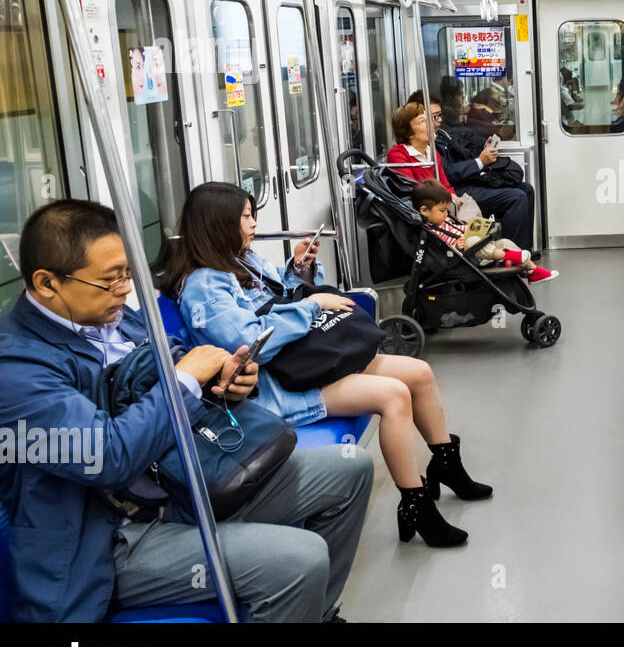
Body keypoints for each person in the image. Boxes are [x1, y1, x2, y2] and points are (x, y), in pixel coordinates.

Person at [0, 199, 374, 622]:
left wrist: (225, 385)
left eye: (127, 274)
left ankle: (316, 615)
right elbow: (106, 456)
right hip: (106, 538)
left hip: (180, 480)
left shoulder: (116, 320)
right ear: (47, 283)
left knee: (351, 470)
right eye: (110, 281)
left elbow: (173, 367)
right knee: (300, 559)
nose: (125, 289)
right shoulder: (16, 369)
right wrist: (186, 382)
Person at [162, 182, 492, 549]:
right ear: (217, 223)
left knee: (419, 374)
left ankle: (446, 466)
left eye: (252, 215)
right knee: (395, 395)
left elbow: (278, 300)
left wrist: (299, 270)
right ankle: (416, 505)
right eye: (244, 217)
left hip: (301, 360)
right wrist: (312, 305)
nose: (253, 224)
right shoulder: (204, 286)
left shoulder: (243, 260)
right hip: (274, 387)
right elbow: (253, 343)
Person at [420, 94, 538, 254]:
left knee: (526, 189)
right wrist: (480, 162)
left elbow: (462, 149)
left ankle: (524, 249)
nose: (440, 120)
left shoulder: (441, 134)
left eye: (440, 115)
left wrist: (482, 150)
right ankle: (511, 255)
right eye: (434, 117)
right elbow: (447, 174)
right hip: (458, 189)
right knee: (516, 197)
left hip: (468, 180)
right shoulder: (426, 144)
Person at [412, 181, 557, 283]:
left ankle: (532, 271)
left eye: (446, 211)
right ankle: (509, 256)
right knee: (471, 242)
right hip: (466, 259)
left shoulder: (444, 221)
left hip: (480, 251)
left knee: (505, 242)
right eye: (442, 211)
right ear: (424, 210)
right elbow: (441, 249)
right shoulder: (430, 231)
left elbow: (459, 229)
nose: (445, 214)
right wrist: (457, 245)